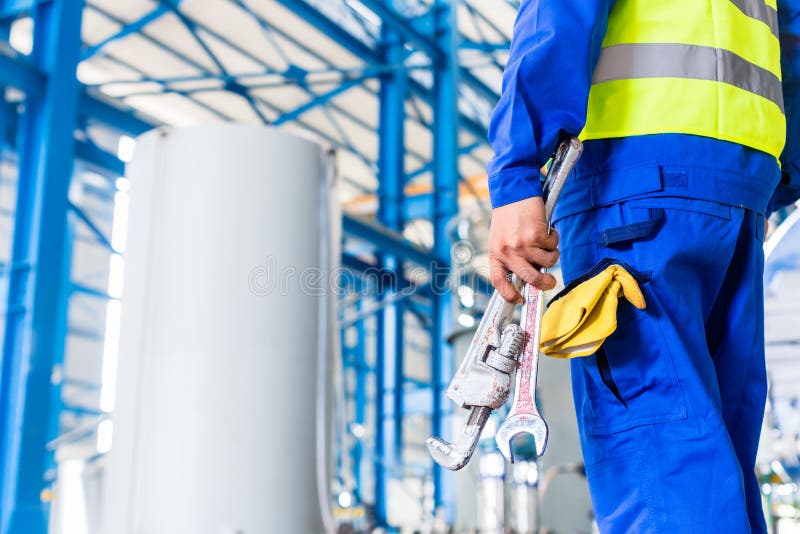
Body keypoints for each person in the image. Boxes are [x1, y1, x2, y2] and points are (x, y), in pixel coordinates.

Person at [486, 1, 800, 532]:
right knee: (716, 455)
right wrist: (777, 182)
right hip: (738, 192)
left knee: (659, 453)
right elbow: (790, 35)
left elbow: (559, 12)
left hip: (632, 184)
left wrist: (517, 171)